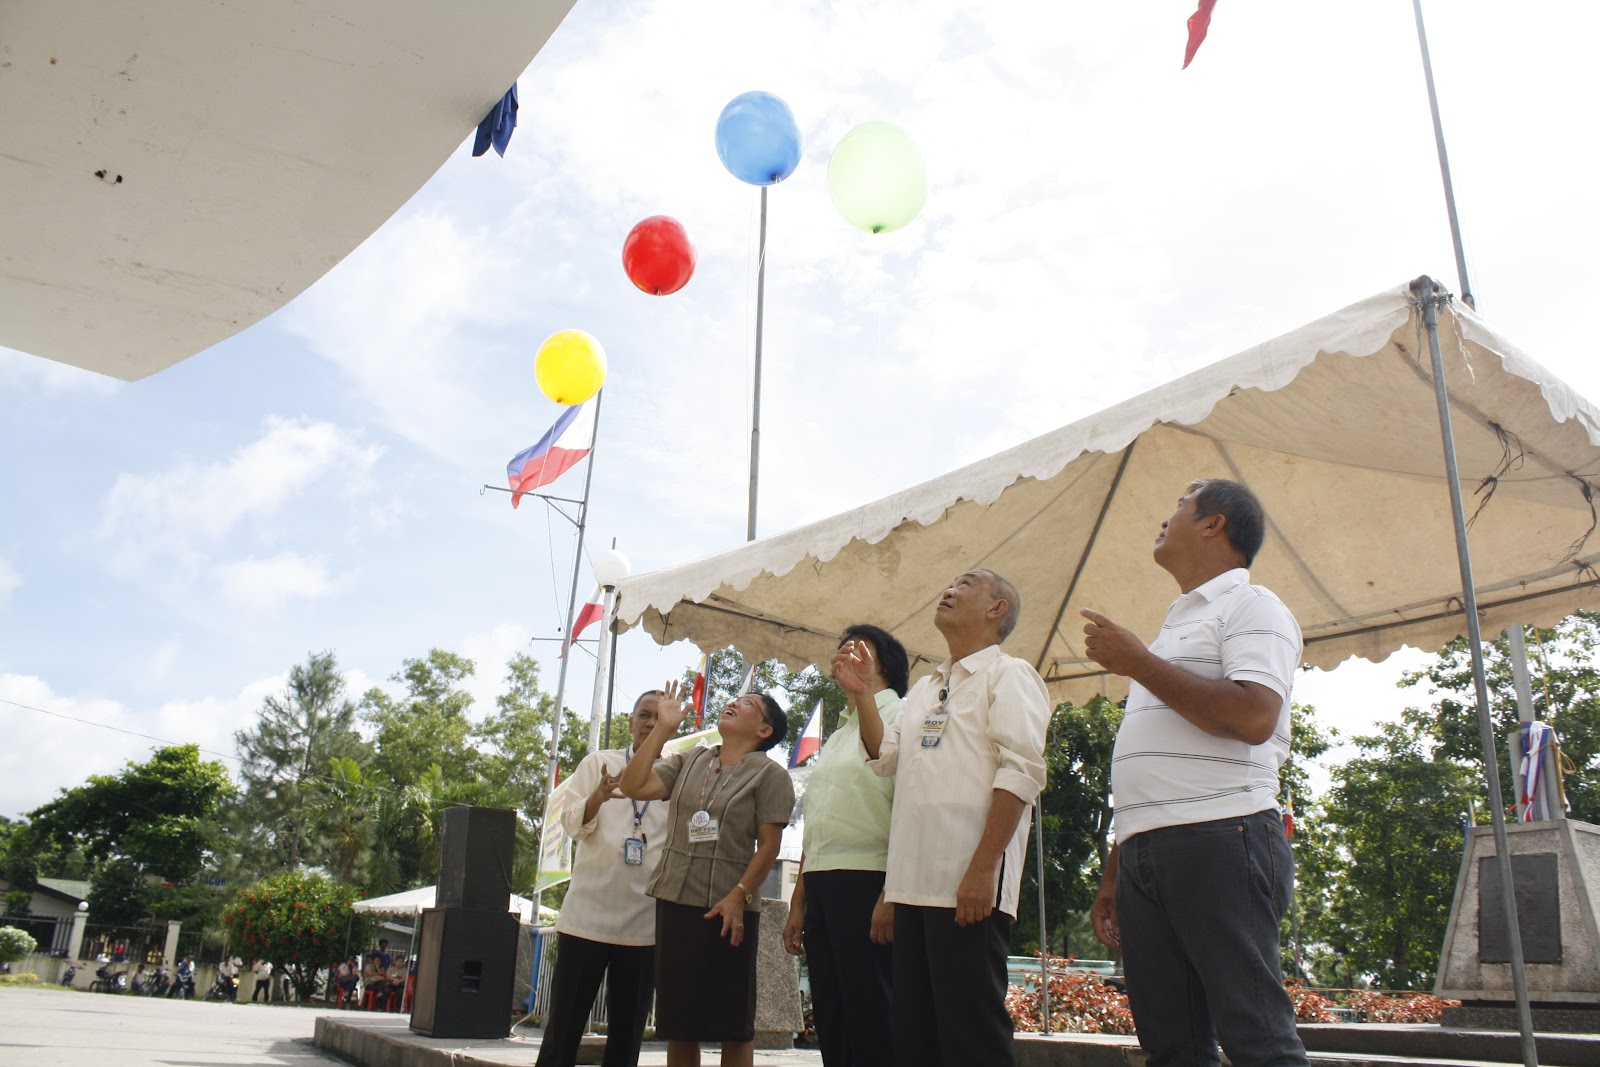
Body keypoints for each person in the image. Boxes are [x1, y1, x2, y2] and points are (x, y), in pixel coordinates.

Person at [1082, 479, 1308, 1067]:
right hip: (1148, 851)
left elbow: (1255, 716)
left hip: (1222, 835)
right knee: (1172, 1046)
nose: (1166, 516)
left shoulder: (1253, 606)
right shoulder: (1176, 624)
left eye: (1179, 504)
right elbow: (1153, 772)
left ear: (1214, 524)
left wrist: (1137, 662)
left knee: (1256, 1038)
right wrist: (1118, 867)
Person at [850, 569, 1049, 1067]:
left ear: (996, 609)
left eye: (967, 583)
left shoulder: (1011, 674)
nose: (950, 588)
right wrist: (860, 697)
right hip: (913, 888)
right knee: (916, 1038)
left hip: (968, 887)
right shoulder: (924, 687)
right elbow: (885, 758)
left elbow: (1021, 772)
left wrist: (983, 868)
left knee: (970, 1038)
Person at [620, 683, 795, 1067]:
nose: (733, 702)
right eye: (734, 699)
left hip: (727, 907)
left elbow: (769, 846)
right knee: (680, 1024)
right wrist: (663, 730)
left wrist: (740, 894)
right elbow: (632, 784)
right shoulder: (690, 760)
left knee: (733, 1024)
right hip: (676, 898)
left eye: (747, 704)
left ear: (764, 731)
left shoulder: (770, 775)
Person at [782, 625, 909, 1067]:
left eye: (860, 648)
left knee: (873, 1015)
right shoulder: (837, 736)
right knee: (833, 1017)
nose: (846, 654)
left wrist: (892, 892)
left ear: (886, 666)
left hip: (870, 880)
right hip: (821, 884)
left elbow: (910, 814)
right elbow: (818, 825)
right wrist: (799, 900)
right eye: (843, 649)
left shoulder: (904, 716)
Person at [535, 691, 671, 1067]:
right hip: (586, 920)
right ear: (630, 722)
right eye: (644, 715)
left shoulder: (676, 773)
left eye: (660, 718)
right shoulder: (599, 762)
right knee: (563, 1030)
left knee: (626, 1037)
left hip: (644, 926)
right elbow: (570, 824)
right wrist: (597, 796)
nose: (650, 723)